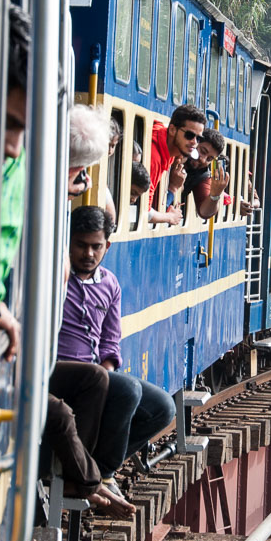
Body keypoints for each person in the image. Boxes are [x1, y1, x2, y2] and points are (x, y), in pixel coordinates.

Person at [0, 6, 131, 517]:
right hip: (29, 356)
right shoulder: (26, 191)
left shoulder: (108, 281)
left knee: (123, 388)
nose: (15, 146)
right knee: (82, 396)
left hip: (37, 354)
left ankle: (86, 479)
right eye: (11, 126)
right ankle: (83, 483)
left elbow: (111, 339)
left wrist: (108, 359)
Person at [57, 206, 175, 497]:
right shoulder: (56, 276)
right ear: (68, 243)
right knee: (128, 390)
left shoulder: (110, 284)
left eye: (96, 247)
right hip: (58, 370)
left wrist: (107, 371)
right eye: (81, 246)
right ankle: (103, 476)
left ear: (107, 246)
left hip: (94, 375)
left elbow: (110, 343)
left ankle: (92, 467)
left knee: (163, 408)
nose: (88, 254)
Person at [147, 104, 206, 225]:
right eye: (189, 135)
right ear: (173, 130)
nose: (194, 142)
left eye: (198, 138)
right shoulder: (154, 157)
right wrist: (170, 217)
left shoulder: (167, 145)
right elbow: (144, 212)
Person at [181, 128, 231, 219]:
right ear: (195, 141)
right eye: (203, 151)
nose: (203, 159)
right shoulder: (175, 153)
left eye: (209, 159)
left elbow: (204, 212)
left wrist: (215, 194)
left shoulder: (202, 175)